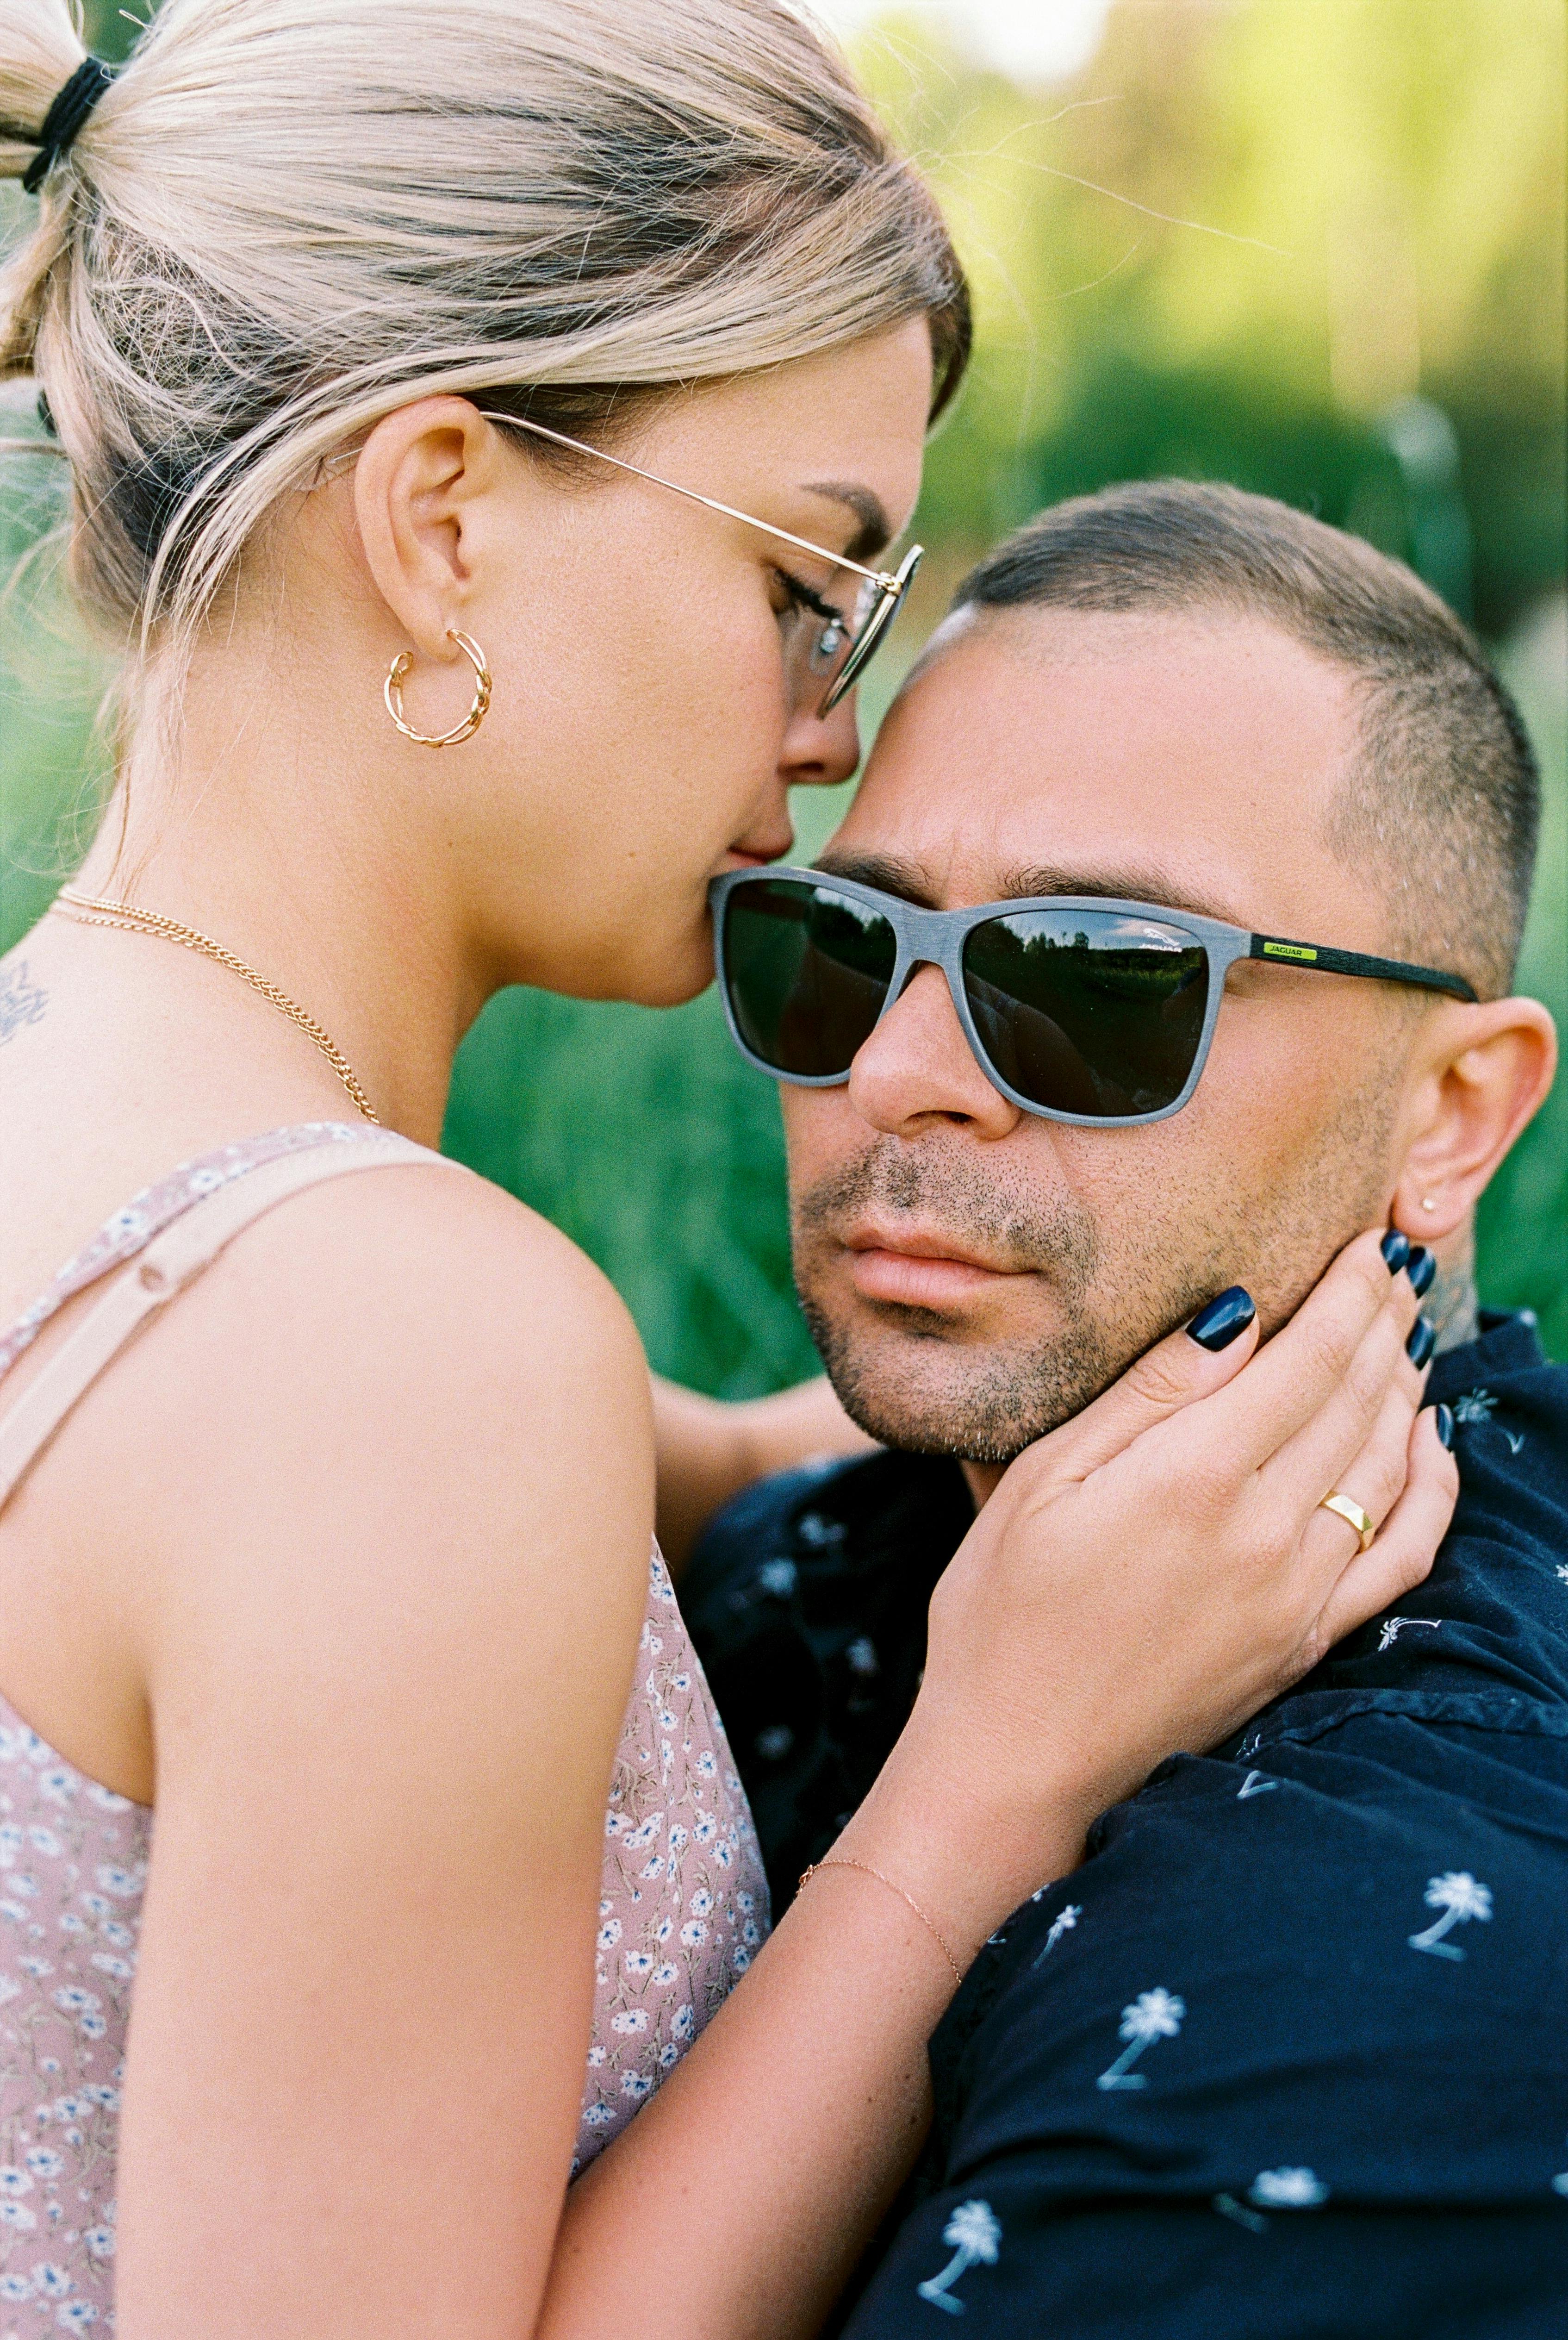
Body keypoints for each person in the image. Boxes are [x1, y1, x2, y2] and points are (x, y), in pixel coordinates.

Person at [0, 0, 1457, 2325]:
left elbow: (615, 1474)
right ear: (443, 517)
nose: (830, 721)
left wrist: (1091, 1366)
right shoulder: (394, 1348)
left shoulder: (97, 1155)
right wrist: (994, 1770)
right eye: (806, 578)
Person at [683, 481, 1566, 2332]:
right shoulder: (833, 1540)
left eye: (1098, 978)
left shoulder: (1378, 1956)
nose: (899, 1072)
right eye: (840, 943)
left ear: (1455, 1112)